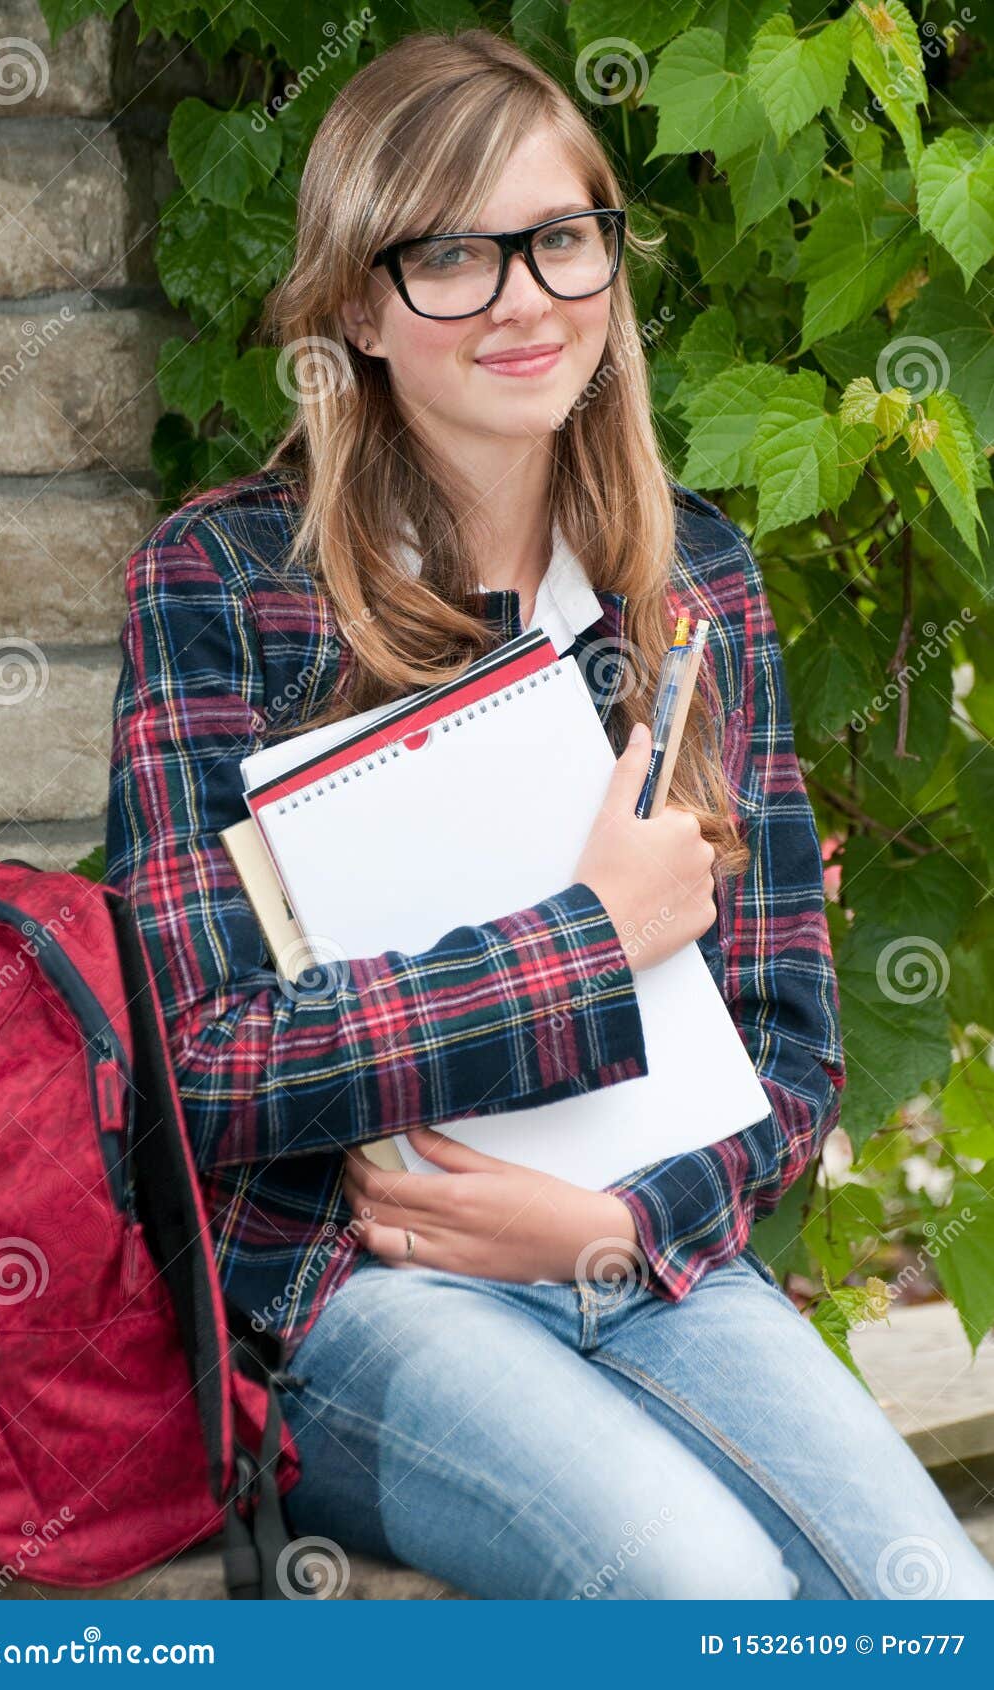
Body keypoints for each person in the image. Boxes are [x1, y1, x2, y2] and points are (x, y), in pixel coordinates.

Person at [104, 29, 994, 1601]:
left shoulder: (694, 577)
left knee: (931, 1598)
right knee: (697, 1583)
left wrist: (612, 1222)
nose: (523, 298)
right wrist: (592, 938)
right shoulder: (227, 584)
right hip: (356, 1289)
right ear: (359, 306)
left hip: (643, 1249)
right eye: (452, 255)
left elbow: (792, 1051)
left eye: (560, 238)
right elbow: (206, 1064)